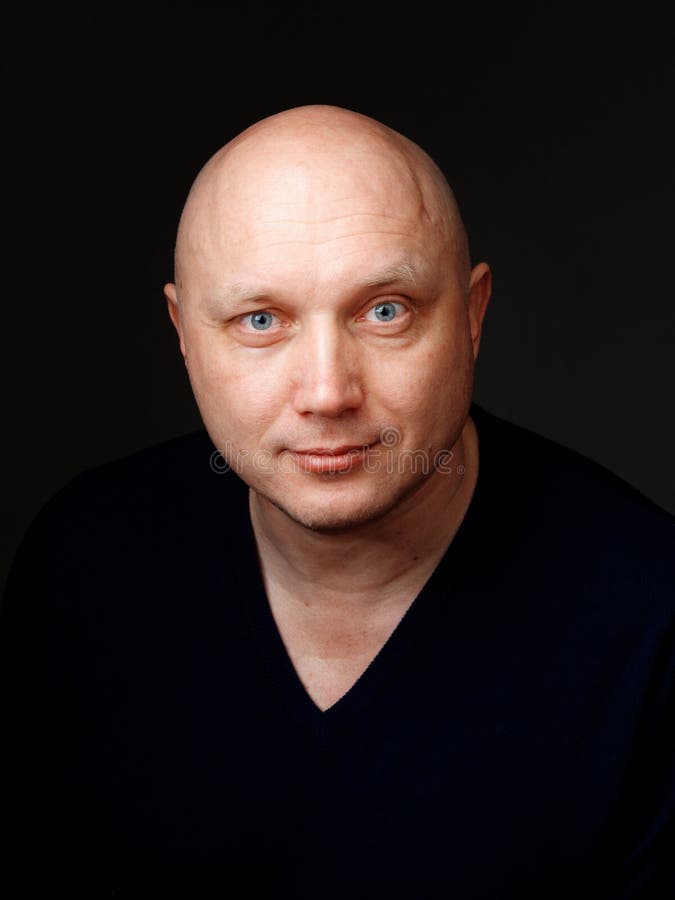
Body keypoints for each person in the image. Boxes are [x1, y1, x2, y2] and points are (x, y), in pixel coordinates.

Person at [2, 105, 673, 899]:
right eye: (260, 321)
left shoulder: (650, 613)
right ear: (184, 333)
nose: (326, 393)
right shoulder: (83, 562)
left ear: (472, 316)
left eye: (384, 311)